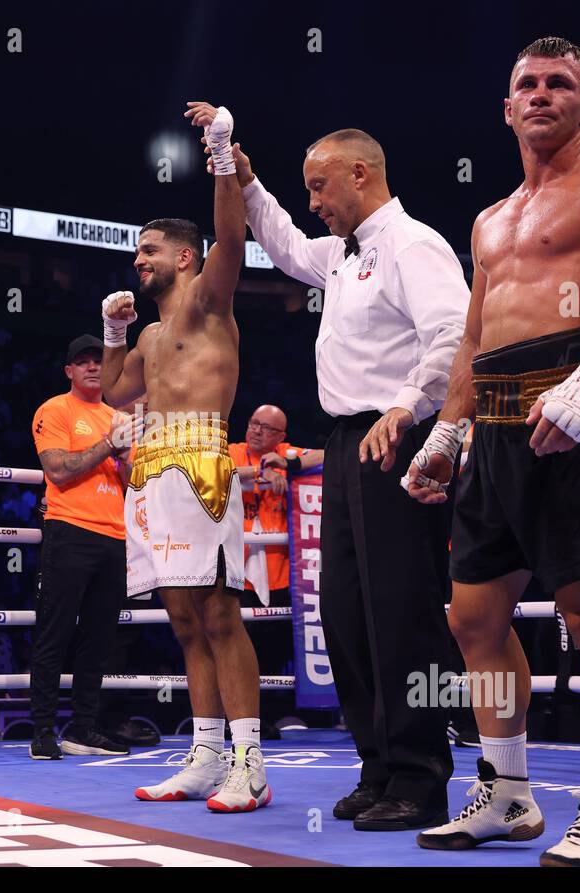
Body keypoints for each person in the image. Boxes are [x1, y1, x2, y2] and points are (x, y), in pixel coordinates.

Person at [406, 37, 580, 866]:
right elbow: (475, 338)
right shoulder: (487, 219)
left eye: (562, 84)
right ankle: (509, 794)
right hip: (496, 429)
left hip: (574, 420)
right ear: (508, 106)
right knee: (473, 618)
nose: (543, 93)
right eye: (529, 83)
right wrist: (448, 432)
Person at [198, 101, 468, 829]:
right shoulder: (342, 254)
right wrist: (247, 183)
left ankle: (421, 777)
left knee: (402, 611)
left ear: (360, 173)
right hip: (344, 446)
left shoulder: (414, 244)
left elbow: (454, 332)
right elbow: (283, 246)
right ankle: (378, 766)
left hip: (398, 435)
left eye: (319, 187)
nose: (313, 202)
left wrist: (407, 407)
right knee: (345, 612)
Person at [100, 104, 268, 812]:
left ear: (183, 257)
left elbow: (232, 233)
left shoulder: (209, 301)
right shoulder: (150, 337)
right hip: (153, 470)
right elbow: (113, 392)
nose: (138, 261)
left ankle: (251, 764)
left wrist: (223, 151)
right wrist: (112, 330)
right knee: (184, 619)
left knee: (221, 616)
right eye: (136, 253)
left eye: (148, 251)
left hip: (203, 461)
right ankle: (204, 753)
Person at [28, 334, 133, 759]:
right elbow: (58, 470)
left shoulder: (119, 416)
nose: (92, 367)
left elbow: (132, 485)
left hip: (115, 536)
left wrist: (125, 458)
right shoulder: (55, 410)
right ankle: (41, 732)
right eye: (83, 361)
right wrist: (110, 444)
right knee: (54, 632)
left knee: (99, 639)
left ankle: (83, 730)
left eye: (98, 361)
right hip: (69, 531)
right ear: (69, 370)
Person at [228, 404, 323, 610]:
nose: (257, 431)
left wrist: (289, 464)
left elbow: (327, 455)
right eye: (254, 423)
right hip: (239, 571)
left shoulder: (286, 453)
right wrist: (258, 471)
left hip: (285, 571)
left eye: (267, 428)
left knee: (280, 636)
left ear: (281, 436)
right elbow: (215, 473)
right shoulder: (233, 451)